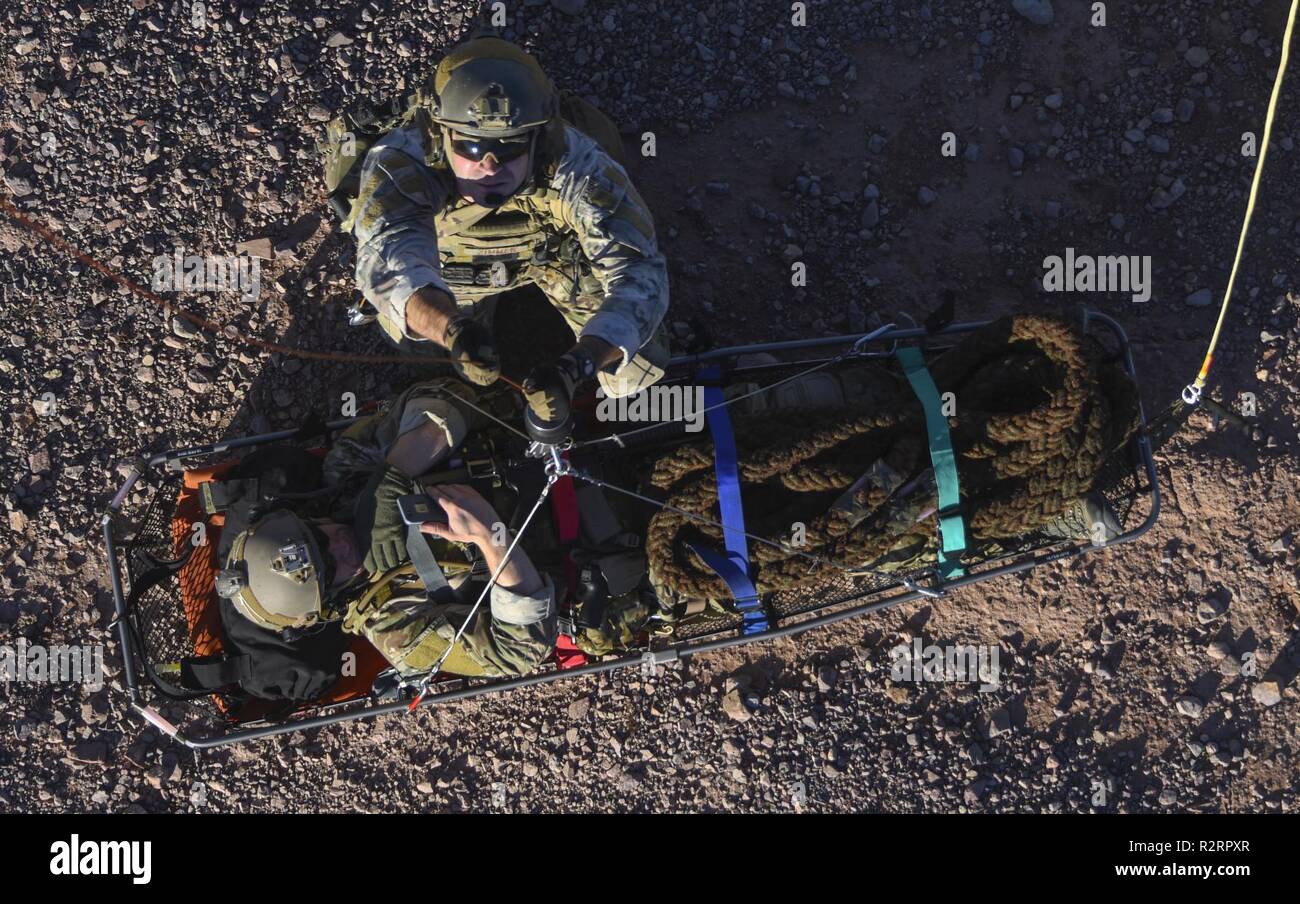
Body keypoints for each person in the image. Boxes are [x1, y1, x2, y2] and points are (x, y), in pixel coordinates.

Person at [348, 34, 671, 427]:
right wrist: (452, 331)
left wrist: (580, 364)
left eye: (509, 148)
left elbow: (640, 275)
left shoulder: (578, 164)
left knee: (634, 369)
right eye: (469, 149)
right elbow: (389, 266)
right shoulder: (401, 164)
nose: (489, 167)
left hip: (552, 260)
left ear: (538, 138)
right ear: (441, 135)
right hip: (452, 276)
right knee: (422, 355)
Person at [217, 380, 558, 680]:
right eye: (329, 569)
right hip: (588, 547)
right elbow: (518, 652)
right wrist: (491, 536)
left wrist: (392, 476)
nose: (341, 547)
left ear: (309, 520)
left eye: (319, 539)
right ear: (328, 601)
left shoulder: (348, 472)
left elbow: (449, 394)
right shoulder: (396, 629)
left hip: (555, 442)